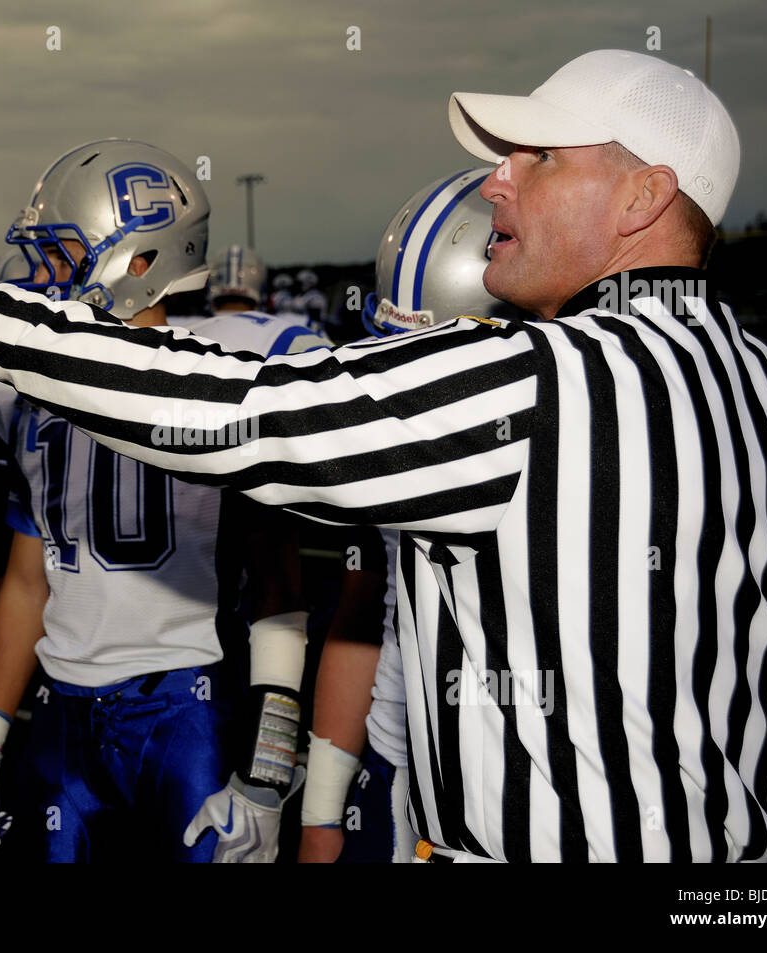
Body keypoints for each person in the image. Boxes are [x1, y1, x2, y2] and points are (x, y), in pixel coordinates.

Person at [0, 49, 767, 863]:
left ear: (641, 200)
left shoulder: (535, 380)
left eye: (537, 158)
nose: (495, 182)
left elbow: (245, 414)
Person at [0, 139, 317, 863]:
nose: (41, 276)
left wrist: (269, 770)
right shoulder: (32, 393)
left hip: (188, 707)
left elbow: (280, 581)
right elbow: (30, 579)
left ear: (138, 262)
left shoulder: (220, 389)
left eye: (59, 255)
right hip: (62, 706)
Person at [301, 168, 525, 863]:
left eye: (421, 354)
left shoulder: (584, 443)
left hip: (528, 795)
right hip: (399, 764)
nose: (398, 377)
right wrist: (320, 809)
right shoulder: (400, 450)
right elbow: (362, 612)